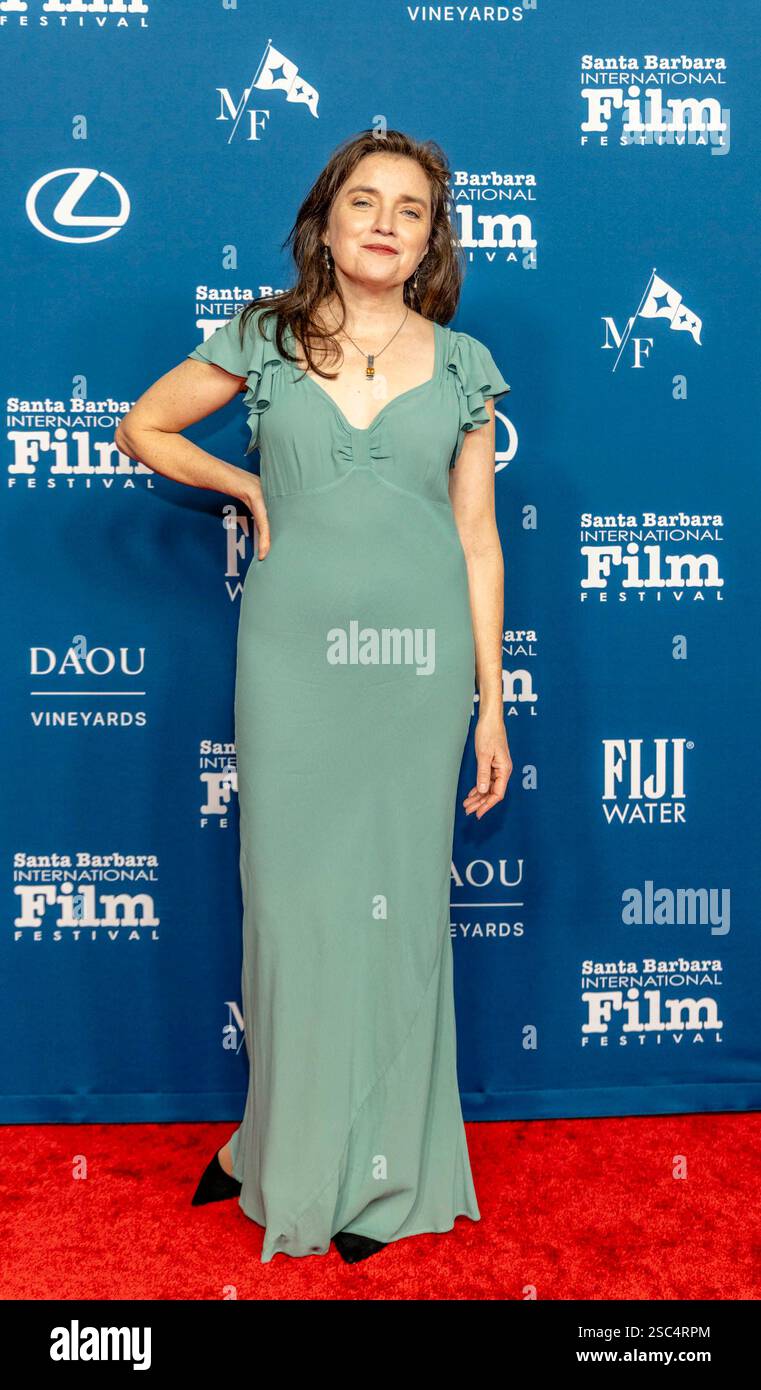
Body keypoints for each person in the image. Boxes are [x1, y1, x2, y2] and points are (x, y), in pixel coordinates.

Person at [115, 128, 513, 1265]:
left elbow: (477, 542)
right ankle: (273, 1146)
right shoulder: (262, 336)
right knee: (291, 916)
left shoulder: (462, 362)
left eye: (412, 210)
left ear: (432, 240)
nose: (387, 222)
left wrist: (490, 703)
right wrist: (241, 481)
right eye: (364, 202)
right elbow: (141, 425)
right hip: (294, 662)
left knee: (396, 919)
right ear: (325, 224)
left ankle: (384, 1173)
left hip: (418, 669)